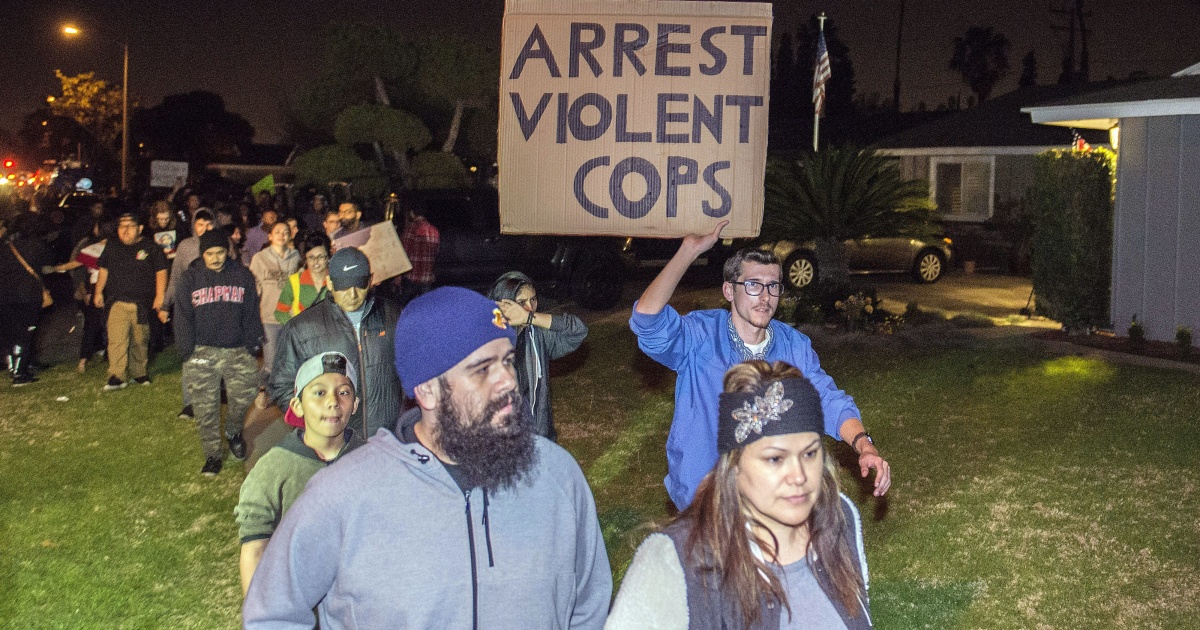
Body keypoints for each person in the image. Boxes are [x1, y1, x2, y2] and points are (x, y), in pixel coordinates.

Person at [243, 286, 612, 629]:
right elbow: (272, 611)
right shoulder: (345, 493)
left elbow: (588, 610)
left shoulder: (556, 475)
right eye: (483, 369)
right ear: (427, 391)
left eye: (508, 360)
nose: (508, 380)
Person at [630, 222, 890, 510]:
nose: (765, 297)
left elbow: (826, 400)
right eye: (753, 285)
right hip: (705, 497)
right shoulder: (701, 335)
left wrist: (864, 444)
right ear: (729, 290)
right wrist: (688, 251)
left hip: (768, 498)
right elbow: (647, 319)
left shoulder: (793, 345)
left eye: (773, 286)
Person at [606, 361, 872, 629]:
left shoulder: (838, 518)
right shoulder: (675, 562)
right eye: (775, 459)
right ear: (734, 466)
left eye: (810, 453)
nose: (799, 476)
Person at [235, 351, 364, 596]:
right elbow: (254, 549)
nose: (333, 401)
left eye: (344, 392)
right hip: (298, 602)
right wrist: (260, 612)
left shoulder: (372, 462)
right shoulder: (272, 469)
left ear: (355, 404)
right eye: (319, 392)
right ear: (297, 405)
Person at [268, 247, 401, 438]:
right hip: (334, 442)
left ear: (371, 280)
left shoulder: (395, 316)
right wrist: (315, 424)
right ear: (329, 283)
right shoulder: (301, 328)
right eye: (344, 287)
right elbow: (281, 386)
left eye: (360, 285)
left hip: (387, 438)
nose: (353, 294)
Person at [175, 229, 263, 475]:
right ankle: (212, 455)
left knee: (245, 395)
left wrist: (253, 343)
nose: (215, 258)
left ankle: (233, 431)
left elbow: (251, 311)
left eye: (220, 253)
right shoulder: (190, 279)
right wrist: (186, 350)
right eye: (210, 253)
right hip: (202, 351)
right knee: (205, 408)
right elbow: (182, 316)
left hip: (237, 349)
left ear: (228, 251)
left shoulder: (242, 275)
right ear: (202, 253)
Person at [489, 271, 587, 441]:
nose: (530, 307)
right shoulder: (488, 344)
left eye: (533, 300)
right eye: (521, 302)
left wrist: (530, 318)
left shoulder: (537, 334)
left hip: (538, 432)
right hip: (501, 439)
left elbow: (578, 330)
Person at [94, 212, 169, 391]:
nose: (125, 230)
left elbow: (161, 272)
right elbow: (103, 269)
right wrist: (98, 291)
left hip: (142, 303)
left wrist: (160, 297)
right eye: (122, 226)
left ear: (140, 228)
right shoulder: (112, 246)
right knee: (116, 340)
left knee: (140, 339)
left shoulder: (151, 248)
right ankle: (117, 376)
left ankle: (139, 373)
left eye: (130, 226)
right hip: (117, 301)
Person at [163, 209, 215, 419]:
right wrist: (165, 304)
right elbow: (176, 277)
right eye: (200, 224)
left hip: (215, 307)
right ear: (194, 225)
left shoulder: (223, 243)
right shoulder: (185, 247)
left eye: (209, 224)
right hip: (190, 308)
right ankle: (190, 402)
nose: (205, 229)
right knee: (190, 354)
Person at [249, 221, 301, 407]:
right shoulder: (260, 258)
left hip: (290, 317)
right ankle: (261, 388)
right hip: (269, 316)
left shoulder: (296, 257)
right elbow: (253, 286)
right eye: (277, 232)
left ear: (290, 236)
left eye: (285, 232)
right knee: (271, 363)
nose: (281, 235)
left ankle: (283, 394)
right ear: (270, 236)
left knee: (289, 361)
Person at [0, 213, 49, 386]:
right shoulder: (37, 245)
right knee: (25, 333)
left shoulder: (5, 246)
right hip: (27, 295)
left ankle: (13, 366)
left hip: (5, 295)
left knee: (11, 333)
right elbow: (45, 263)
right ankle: (20, 373)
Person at [273, 231, 331, 325]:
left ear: (328, 257)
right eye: (311, 257)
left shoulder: (335, 280)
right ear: (305, 258)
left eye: (320, 256)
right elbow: (280, 312)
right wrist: (295, 327)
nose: (316, 261)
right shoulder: (294, 281)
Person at [399, 205, 440, 302]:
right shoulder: (434, 230)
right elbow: (436, 252)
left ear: (412, 213)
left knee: (405, 306)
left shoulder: (410, 230)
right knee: (425, 306)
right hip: (427, 278)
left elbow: (404, 254)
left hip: (411, 277)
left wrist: (398, 277)